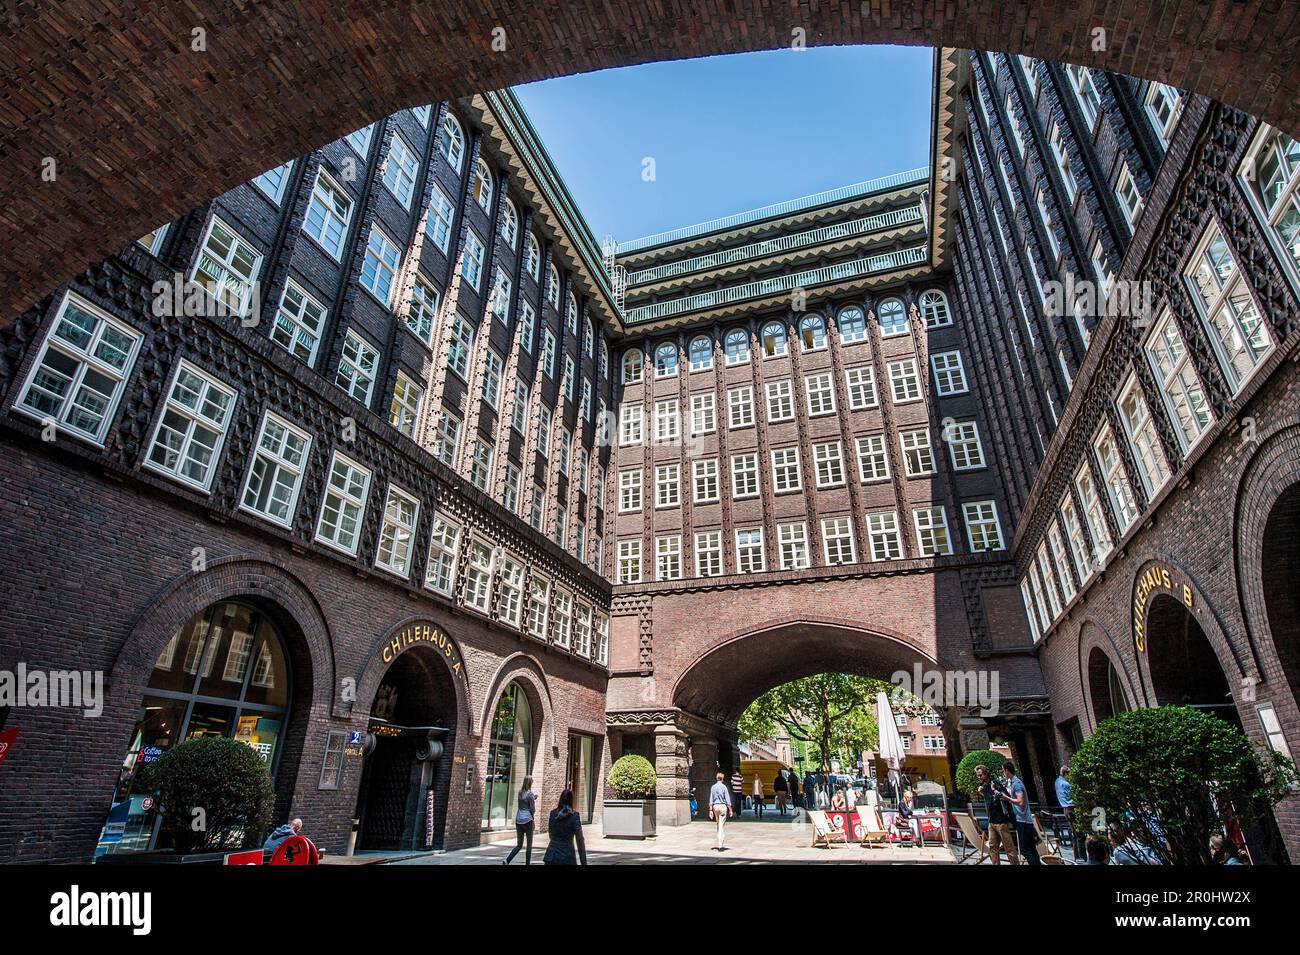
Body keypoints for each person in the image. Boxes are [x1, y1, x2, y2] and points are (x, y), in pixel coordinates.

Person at [973, 763, 1018, 865]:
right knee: (993, 847)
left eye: (980, 775)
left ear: (986, 774)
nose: (979, 777)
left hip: (1001, 820)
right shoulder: (983, 787)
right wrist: (982, 791)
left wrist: (994, 792)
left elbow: (1005, 796)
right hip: (991, 821)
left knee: (1008, 847)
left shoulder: (995, 784)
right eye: (977, 775)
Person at [999, 760, 1039, 865]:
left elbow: (1020, 802)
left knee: (1025, 849)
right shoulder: (1014, 782)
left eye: (1003, 771)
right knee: (1032, 848)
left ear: (1007, 771)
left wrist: (1007, 798)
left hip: (1023, 820)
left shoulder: (1016, 784)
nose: (1003, 773)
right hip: (1026, 820)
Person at [542, 789, 587, 865]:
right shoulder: (574, 816)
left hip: (551, 855)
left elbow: (551, 834)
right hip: (567, 856)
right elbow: (579, 840)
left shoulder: (553, 814)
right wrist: (583, 862)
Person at [503, 776, 537, 865]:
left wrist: (533, 798)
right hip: (527, 821)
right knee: (529, 845)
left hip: (519, 820)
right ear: (530, 783)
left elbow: (523, 803)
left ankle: (507, 860)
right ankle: (527, 863)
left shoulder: (520, 793)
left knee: (519, 845)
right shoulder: (530, 794)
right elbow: (532, 809)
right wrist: (533, 800)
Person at [1055, 764, 1081, 859]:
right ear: (1066, 774)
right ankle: (1081, 857)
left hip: (1065, 809)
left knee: (1074, 834)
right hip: (1071, 808)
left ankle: (1077, 856)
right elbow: (1074, 796)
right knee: (1079, 834)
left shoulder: (1057, 781)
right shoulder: (1066, 784)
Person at [708, 772, 732, 850]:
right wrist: (730, 810)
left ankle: (719, 839)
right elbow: (727, 799)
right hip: (722, 806)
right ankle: (720, 843)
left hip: (715, 807)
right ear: (722, 779)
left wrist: (710, 809)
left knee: (718, 823)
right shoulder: (724, 787)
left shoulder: (713, 787)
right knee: (721, 825)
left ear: (717, 778)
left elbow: (711, 799)